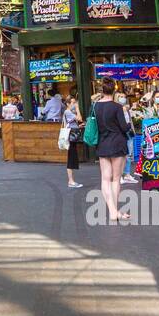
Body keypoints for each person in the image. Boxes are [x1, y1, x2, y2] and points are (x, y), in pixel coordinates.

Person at [93, 79, 134, 222]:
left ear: (101, 90)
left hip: (102, 144)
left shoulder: (95, 107)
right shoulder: (117, 107)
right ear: (114, 90)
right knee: (116, 179)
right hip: (117, 143)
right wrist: (129, 124)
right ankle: (114, 211)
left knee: (105, 178)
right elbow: (124, 127)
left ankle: (112, 211)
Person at [61, 93, 83, 188]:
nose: (74, 104)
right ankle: (71, 181)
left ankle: (72, 180)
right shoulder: (68, 112)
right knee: (71, 157)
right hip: (71, 136)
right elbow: (79, 118)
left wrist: (78, 125)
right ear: (68, 104)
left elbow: (76, 122)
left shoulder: (69, 113)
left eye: (75, 103)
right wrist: (77, 108)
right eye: (73, 103)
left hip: (72, 135)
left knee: (72, 157)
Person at [116, 90, 138, 184]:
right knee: (120, 155)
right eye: (121, 96)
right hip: (120, 133)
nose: (123, 98)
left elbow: (130, 121)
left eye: (124, 97)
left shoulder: (126, 108)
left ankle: (127, 174)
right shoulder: (116, 108)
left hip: (129, 132)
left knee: (129, 155)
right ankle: (119, 175)